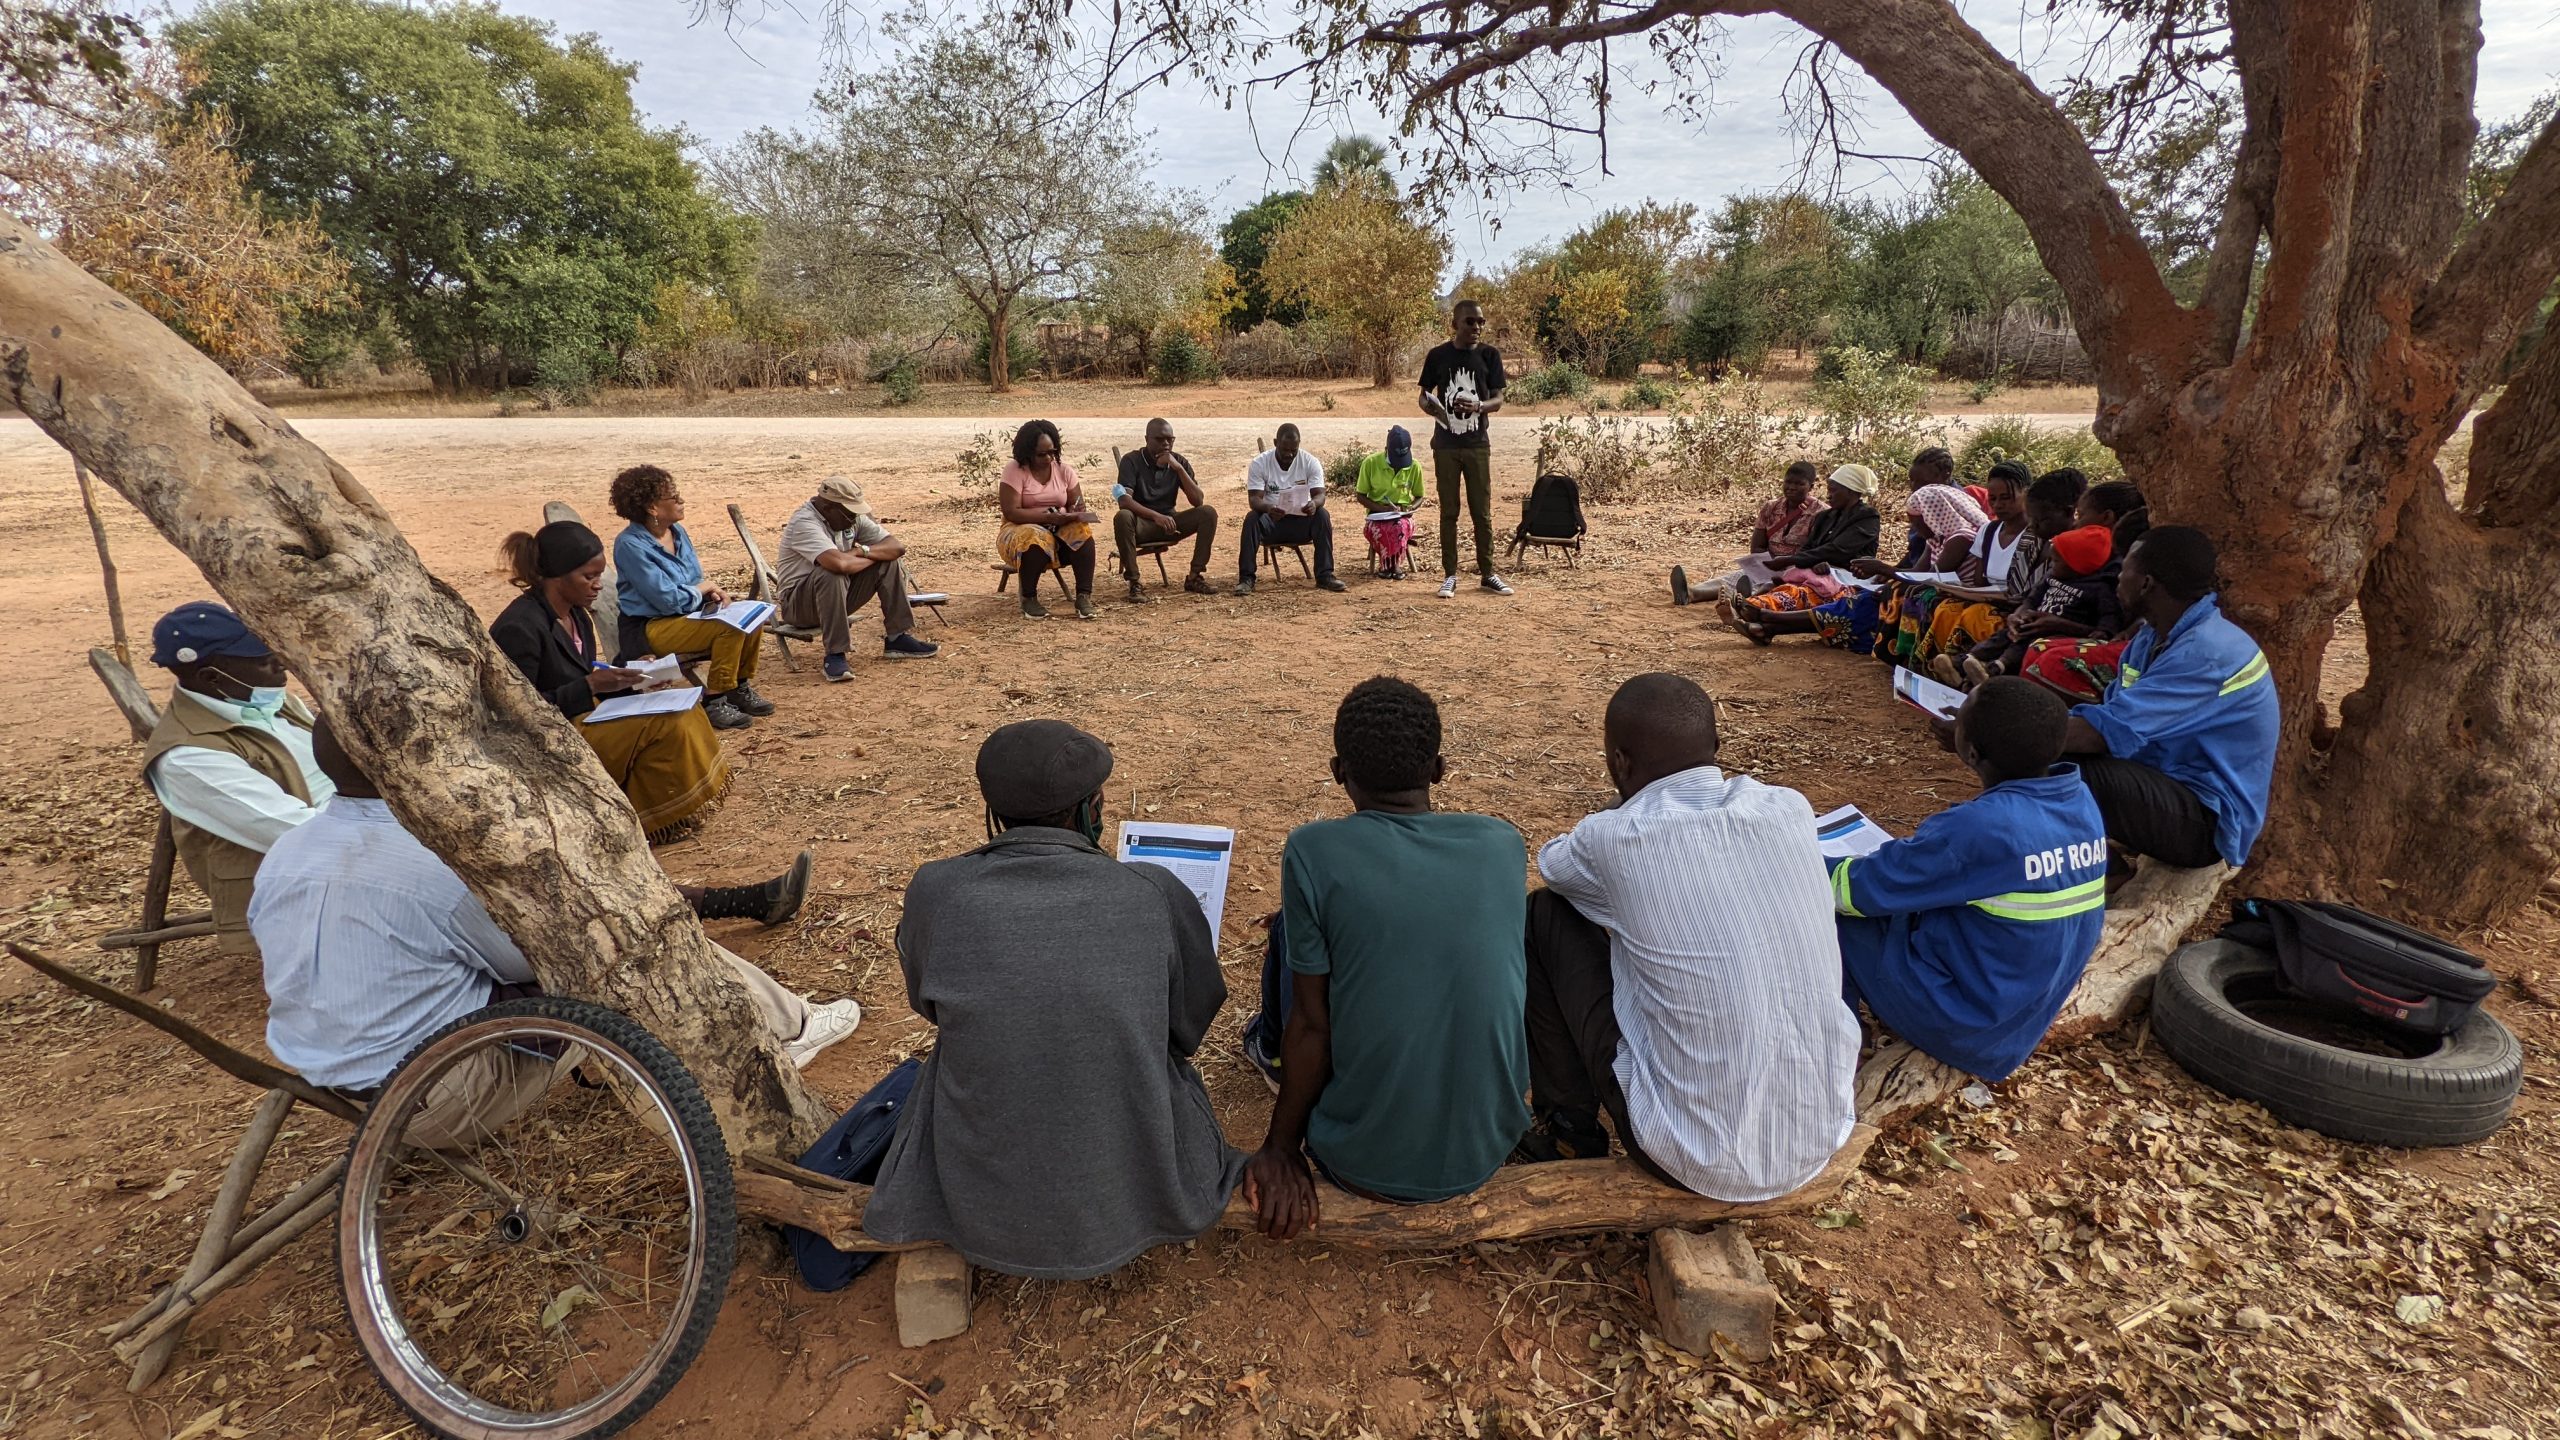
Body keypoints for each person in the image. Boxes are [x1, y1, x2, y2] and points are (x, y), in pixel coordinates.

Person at [251, 720, 859, 1150]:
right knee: (632, 941)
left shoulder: (288, 851)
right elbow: (543, 955)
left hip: (333, 1084)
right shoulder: (436, 862)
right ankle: (793, 1025)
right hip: (435, 1096)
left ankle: (766, 995)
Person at [863, 720, 1243, 1278]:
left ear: (995, 813)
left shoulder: (936, 890)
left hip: (981, 1206)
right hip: (1132, 1187)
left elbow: (929, 1004)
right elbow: (1188, 1027)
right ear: (1092, 809)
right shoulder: (1153, 891)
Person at [1516, 674, 1859, 1201]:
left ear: (1618, 764)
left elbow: (1554, 869)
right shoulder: (1788, 808)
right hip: (1818, 1132)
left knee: (1545, 914)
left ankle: (1568, 1130)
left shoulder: (1613, 837)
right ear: (1716, 751)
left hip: (1688, 1154)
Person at [1240, 678, 1529, 1237]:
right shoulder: (1501, 843)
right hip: (1488, 1149)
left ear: (1337, 771)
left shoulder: (1312, 849)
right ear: (1440, 770)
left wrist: (1280, 1147)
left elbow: (1313, 1025)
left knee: (1295, 944)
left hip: (1358, 1162)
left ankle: (1263, 1049)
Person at [1833, 679, 2107, 1081]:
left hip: (1968, 1027)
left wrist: (1798, 856)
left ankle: (1834, 1052)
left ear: (1972, 751)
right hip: (2021, 1013)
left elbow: (1853, 890)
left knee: (1833, 915)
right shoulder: (2079, 800)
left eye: (1959, 716)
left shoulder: (1981, 828)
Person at [493, 520, 735, 844]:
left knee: (688, 709)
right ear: (556, 577)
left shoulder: (575, 613)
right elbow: (517, 710)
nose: (597, 586)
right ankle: (646, 821)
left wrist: (633, 677)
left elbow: (583, 673)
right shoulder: (520, 628)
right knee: (666, 725)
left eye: (598, 576)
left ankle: (666, 810)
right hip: (551, 735)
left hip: (586, 713)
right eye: (588, 577)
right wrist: (591, 686)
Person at [2060, 526, 2279, 871]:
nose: (2118, 576)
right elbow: (2112, 714)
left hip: (2208, 823)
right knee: (2052, 747)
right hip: (2170, 782)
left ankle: (2106, 871)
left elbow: (2099, 734)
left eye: (2125, 568)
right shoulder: (2152, 638)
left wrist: (1995, 733)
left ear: (2146, 582)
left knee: (2049, 761)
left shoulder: (2206, 652)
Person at [140, 602, 334, 958]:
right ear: (212, 678)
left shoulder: (269, 702)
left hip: (352, 834)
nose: (282, 664)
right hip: (306, 877)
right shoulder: (188, 757)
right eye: (264, 660)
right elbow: (298, 834)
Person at [609, 464, 769, 731]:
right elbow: (666, 600)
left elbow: (694, 579)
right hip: (649, 627)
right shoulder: (630, 545)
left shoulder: (677, 533)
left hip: (684, 615)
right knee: (727, 628)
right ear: (652, 508)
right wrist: (701, 590)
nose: (681, 501)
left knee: (752, 617)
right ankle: (715, 699)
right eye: (674, 497)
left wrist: (708, 593)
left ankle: (739, 686)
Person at [1922, 469, 2081, 684]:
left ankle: (1973, 671)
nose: (1998, 505)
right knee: (1944, 605)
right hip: (2011, 603)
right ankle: (1950, 670)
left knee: (1984, 618)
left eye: (2006, 498)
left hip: (2025, 609)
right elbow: (1987, 583)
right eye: (1993, 499)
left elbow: (2037, 592)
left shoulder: (2045, 542)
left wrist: (2022, 608)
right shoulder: (1990, 531)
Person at [776, 475, 939, 681]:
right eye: (849, 513)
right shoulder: (805, 522)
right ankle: (835, 654)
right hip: (799, 607)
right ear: (827, 507)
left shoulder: (848, 516)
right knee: (832, 573)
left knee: (888, 562)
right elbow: (839, 564)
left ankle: (897, 637)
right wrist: (867, 556)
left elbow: (896, 548)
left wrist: (861, 552)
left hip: (838, 598)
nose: (854, 519)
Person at [1714, 465, 1887, 650]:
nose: (1828, 495)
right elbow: (1810, 548)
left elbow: (1839, 550)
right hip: (1817, 572)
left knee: (1801, 593)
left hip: (1848, 577)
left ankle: (1754, 612)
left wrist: (1791, 560)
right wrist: (1810, 562)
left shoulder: (1867, 517)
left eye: (1833, 491)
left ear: (1851, 491)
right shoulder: (1825, 516)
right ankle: (1755, 616)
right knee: (1783, 587)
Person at [1417, 299, 1516, 599]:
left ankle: (1488, 573)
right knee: (1449, 512)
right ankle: (1450, 575)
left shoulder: (1489, 355)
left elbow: (1498, 400)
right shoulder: (1437, 356)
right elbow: (1424, 396)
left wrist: (1478, 405)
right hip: (1445, 445)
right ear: (1455, 324)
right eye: (1470, 322)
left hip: (1477, 444)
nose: (1477, 327)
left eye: (1481, 322)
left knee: (1481, 512)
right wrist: (1435, 411)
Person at [2019, 481, 2151, 702]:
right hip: (2060, 629)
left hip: (2092, 637)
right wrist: (2022, 611)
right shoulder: (2075, 552)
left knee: (2050, 658)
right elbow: (2040, 589)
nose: (2075, 522)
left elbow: (2109, 625)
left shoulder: (2113, 566)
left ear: (2107, 517)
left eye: (2080, 514)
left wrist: (2060, 624)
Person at [1960, 522, 2122, 687]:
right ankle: (1962, 663)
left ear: (2077, 565)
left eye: (2056, 561)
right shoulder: (2053, 576)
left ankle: (1993, 669)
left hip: (2057, 638)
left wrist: (2059, 625)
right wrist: (2018, 616)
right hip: (2031, 624)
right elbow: (2031, 599)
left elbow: (2103, 632)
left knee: (2028, 644)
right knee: (2002, 636)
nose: (2051, 564)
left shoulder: (2101, 589)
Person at [1670, 459, 1824, 605]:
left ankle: (1748, 599)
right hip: (1768, 563)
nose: (1791, 487)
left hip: (1798, 568)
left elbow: (1817, 551)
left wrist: (1785, 563)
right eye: (1788, 482)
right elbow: (1757, 546)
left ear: (1811, 487)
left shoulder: (1822, 513)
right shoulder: (1771, 507)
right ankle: (1691, 593)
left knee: (1771, 584)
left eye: (1799, 484)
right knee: (1736, 578)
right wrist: (1765, 564)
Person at [997, 419, 1099, 621]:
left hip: (1058, 525)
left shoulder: (1064, 470)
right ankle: (1029, 598)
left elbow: (1076, 503)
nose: (1048, 458)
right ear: (1027, 452)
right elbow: (1011, 511)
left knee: (1082, 532)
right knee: (1033, 536)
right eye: (1041, 454)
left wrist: (1075, 511)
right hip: (1020, 529)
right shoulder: (1015, 470)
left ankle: (1083, 597)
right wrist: (1047, 517)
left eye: (1052, 452)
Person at [1111, 418, 1220, 601]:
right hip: (1142, 525)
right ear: (1147, 439)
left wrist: (1178, 469)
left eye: (1170, 439)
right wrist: (1156, 516)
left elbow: (1198, 501)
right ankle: (1134, 583)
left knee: (1208, 513)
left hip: (1171, 524)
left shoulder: (1178, 461)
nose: (1166, 444)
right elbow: (1124, 500)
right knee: (1122, 516)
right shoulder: (1132, 461)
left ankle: (1194, 577)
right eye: (1160, 439)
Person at [1236, 423, 1347, 595]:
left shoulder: (1310, 462)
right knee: (1252, 518)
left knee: (1322, 515)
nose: (1289, 454)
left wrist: (1314, 504)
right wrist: (1268, 507)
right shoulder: (1260, 463)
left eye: (1293, 450)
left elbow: (1320, 495)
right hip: (1273, 522)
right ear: (1275, 443)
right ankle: (1246, 579)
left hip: (1300, 521)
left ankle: (1325, 576)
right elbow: (1254, 499)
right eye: (1284, 449)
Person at [1354, 425, 1427, 580]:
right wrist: (1380, 508)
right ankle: (1391, 565)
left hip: (1403, 517)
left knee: (1399, 526)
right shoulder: (1371, 463)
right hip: (1376, 516)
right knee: (1382, 529)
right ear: (1386, 448)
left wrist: (1410, 507)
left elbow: (1420, 496)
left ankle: (1391, 565)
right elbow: (1360, 495)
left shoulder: (1414, 466)